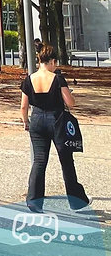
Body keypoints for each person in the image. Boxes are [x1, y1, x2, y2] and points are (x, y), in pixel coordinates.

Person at [20, 44, 90, 212]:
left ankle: (34, 201)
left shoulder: (29, 79)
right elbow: (70, 103)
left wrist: (25, 122)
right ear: (51, 61)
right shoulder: (58, 79)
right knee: (66, 161)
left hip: (36, 119)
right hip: (56, 120)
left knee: (39, 161)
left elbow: (23, 107)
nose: (56, 65)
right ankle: (76, 201)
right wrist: (69, 93)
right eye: (55, 62)